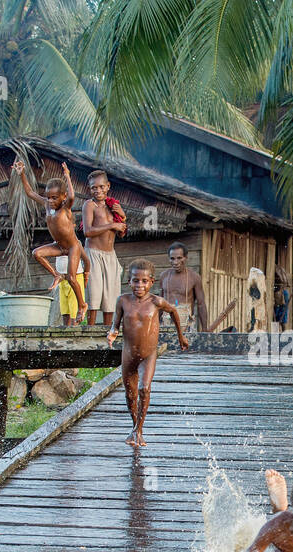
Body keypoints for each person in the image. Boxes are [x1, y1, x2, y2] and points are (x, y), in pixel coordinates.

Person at [106, 259, 191, 447]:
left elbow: (174, 311)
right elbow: (115, 324)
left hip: (148, 353)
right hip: (128, 353)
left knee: (144, 388)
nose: (140, 285)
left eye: (144, 281)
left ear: (151, 282)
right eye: (136, 281)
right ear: (129, 281)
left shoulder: (156, 302)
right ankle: (134, 427)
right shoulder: (123, 300)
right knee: (130, 395)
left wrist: (181, 336)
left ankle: (139, 430)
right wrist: (112, 333)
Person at [12, 160, 88, 326]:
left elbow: (73, 196)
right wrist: (22, 174)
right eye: (49, 197)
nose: (51, 201)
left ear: (63, 197)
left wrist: (67, 176)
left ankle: (82, 305)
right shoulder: (47, 205)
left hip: (72, 246)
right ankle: (55, 275)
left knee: (72, 278)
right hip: (59, 246)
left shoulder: (65, 208)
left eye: (55, 198)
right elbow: (30, 192)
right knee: (36, 253)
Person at [81, 169, 127, 327]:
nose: (98, 190)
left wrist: (122, 216)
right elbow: (87, 232)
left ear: (108, 186)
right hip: (93, 254)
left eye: (101, 187)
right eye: (94, 187)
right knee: (93, 295)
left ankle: (108, 332)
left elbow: (121, 231)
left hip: (110, 255)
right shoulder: (89, 205)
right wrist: (112, 224)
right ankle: (90, 330)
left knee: (110, 297)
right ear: (90, 189)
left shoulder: (113, 205)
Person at [157, 242, 209, 331]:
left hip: (187, 326)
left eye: (179, 258)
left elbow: (201, 304)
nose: (175, 262)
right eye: (172, 259)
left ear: (186, 258)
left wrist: (204, 329)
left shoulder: (194, 277)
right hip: (166, 325)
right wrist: (156, 325)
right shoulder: (164, 276)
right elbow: (160, 304)